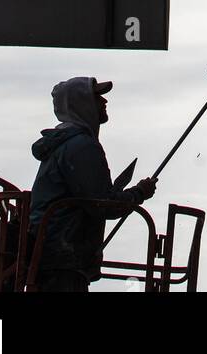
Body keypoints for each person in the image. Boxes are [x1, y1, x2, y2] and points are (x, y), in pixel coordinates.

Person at [29, 76, 156, 292]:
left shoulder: (66, 144)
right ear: (82, 104)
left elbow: (96, 199)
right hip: (62, 260)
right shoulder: (80, 147)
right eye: (97, 97)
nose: (104, 102)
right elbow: (103, 204)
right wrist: (138, 193)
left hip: (54, 258)